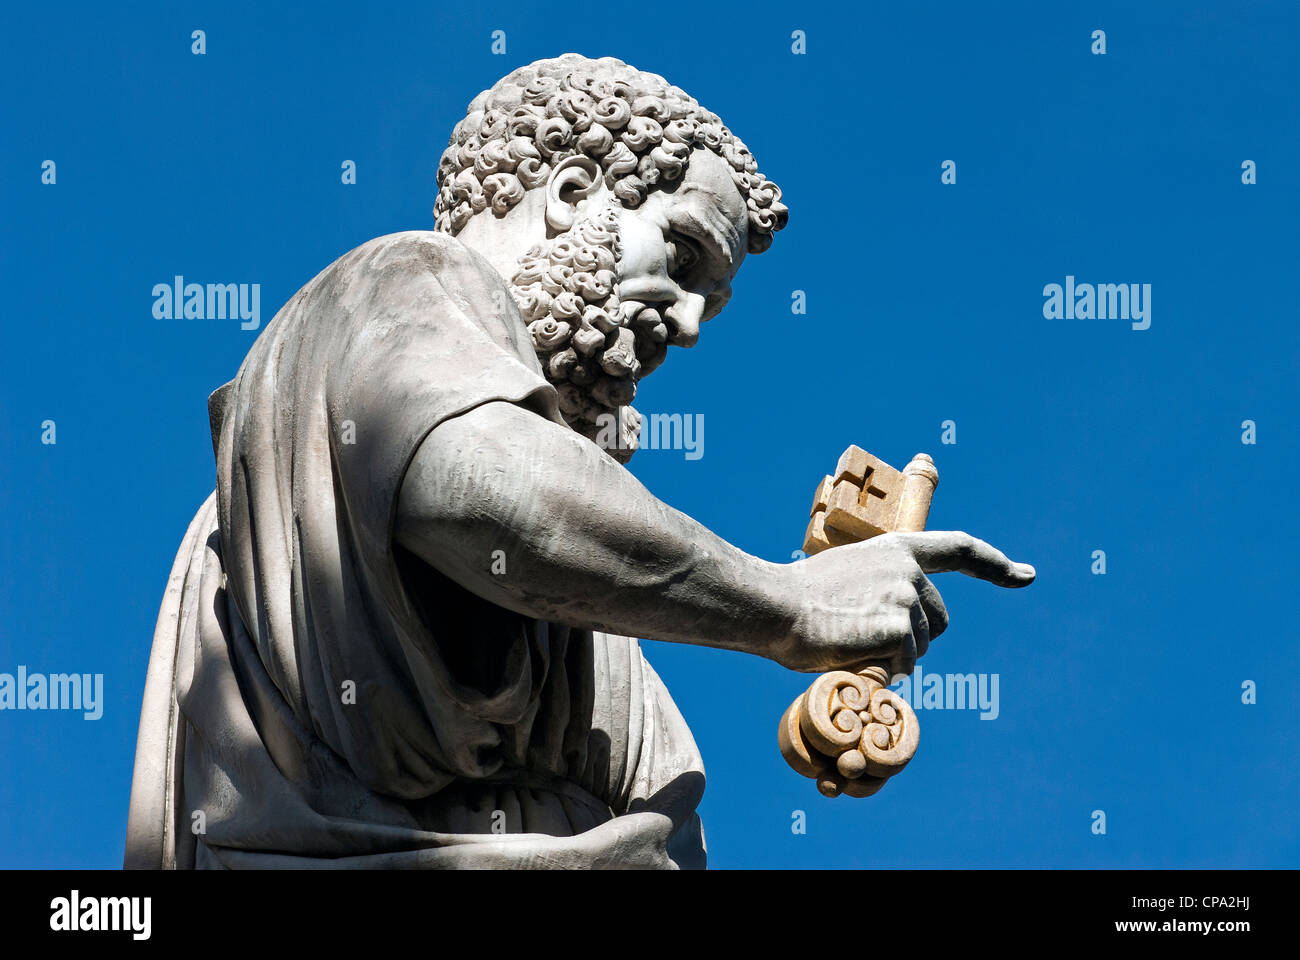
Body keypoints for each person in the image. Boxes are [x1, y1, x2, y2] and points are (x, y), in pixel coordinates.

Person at [124, 53, 1034, 870]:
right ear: (570, 192)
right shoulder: (402, 282)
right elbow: (478, 488)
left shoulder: (585, 587)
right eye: (681, 256)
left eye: (708, 311)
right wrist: (789, 606)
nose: (683, 325)